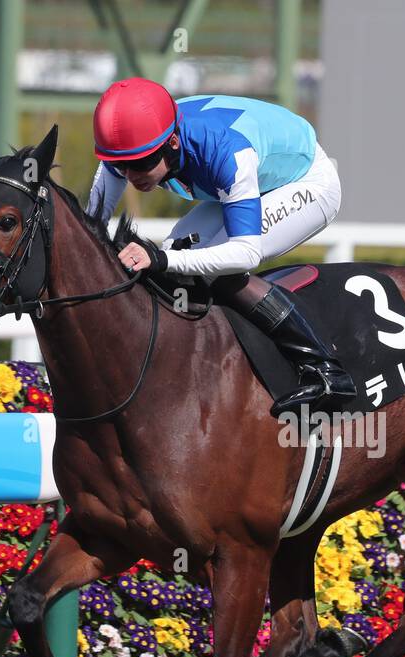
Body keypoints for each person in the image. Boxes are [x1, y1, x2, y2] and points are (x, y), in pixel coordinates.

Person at [87, 77, 354, 415]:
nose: (129, 175)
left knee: (212, 269)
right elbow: (90, 226)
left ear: (171, 143)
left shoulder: (224, 151)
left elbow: (245, 253)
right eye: (120, 165)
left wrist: (160, 259)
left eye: (140, 163)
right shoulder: (129, 144)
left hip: (304, 181)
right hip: (245, 177)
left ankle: (325, 369)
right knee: (177, 259)